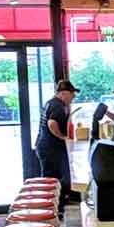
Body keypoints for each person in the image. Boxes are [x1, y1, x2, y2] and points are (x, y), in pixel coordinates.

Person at [35, 79, 80, 213]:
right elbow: (52, 123)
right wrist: (62, 137)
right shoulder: (58, 106)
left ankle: (55, 206)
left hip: (45, 145)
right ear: (63, 93)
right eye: (71, 94)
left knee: (52, 177)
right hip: (50, 148)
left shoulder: (51, 102)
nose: (73, 97)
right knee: (52, 179)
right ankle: (51, 210)